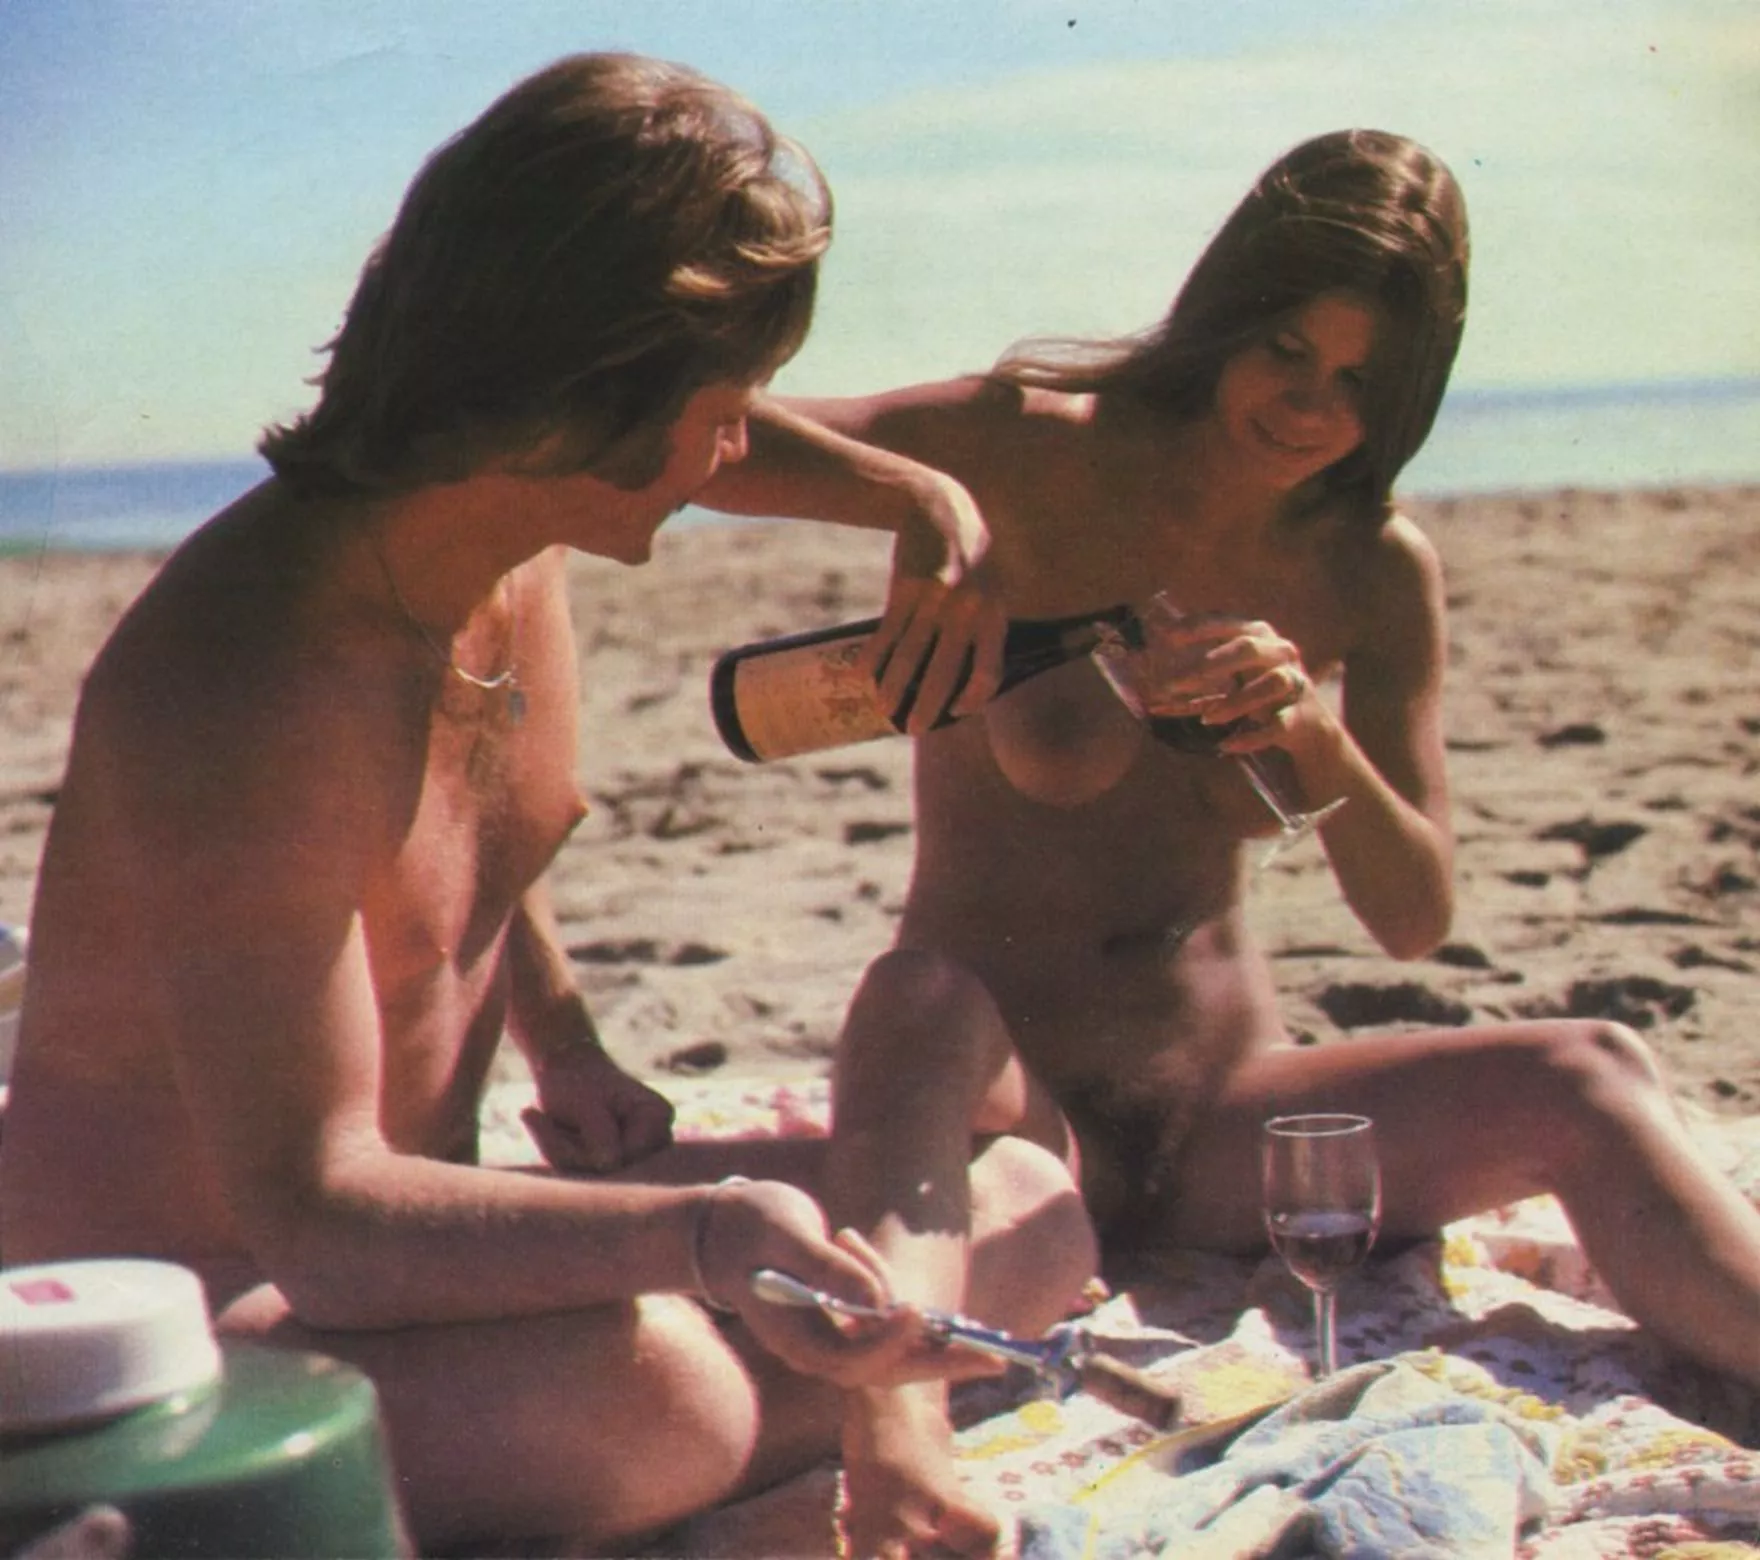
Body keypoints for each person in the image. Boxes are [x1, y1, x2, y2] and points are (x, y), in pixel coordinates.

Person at [0, 53, 1097, 1556]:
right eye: (722, 406)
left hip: (420, 1238)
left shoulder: (508, 545)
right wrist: (697, 1234)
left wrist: (924, 502)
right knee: (665, 1394)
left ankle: (828, 1404)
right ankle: (806, 1418)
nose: (736, 450)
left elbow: (454, 844)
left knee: (1020, 1207)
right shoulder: (252, 682)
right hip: (189, 1315)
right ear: (581, 402)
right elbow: (317, 1211)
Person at [703, 127, 1760, 1555]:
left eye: (1360, 383)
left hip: (1230, 1126)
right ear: (1225, 314)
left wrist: (1312, 746)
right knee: (915, 996)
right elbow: (700, 439)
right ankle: (887, 1417)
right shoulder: (1027, 447)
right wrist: (923, 501)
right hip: (1017, 1123)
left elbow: (1415, 917)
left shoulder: (1368, 563)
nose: (1310, 407)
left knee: (1589, 1069)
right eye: (1287, 351)